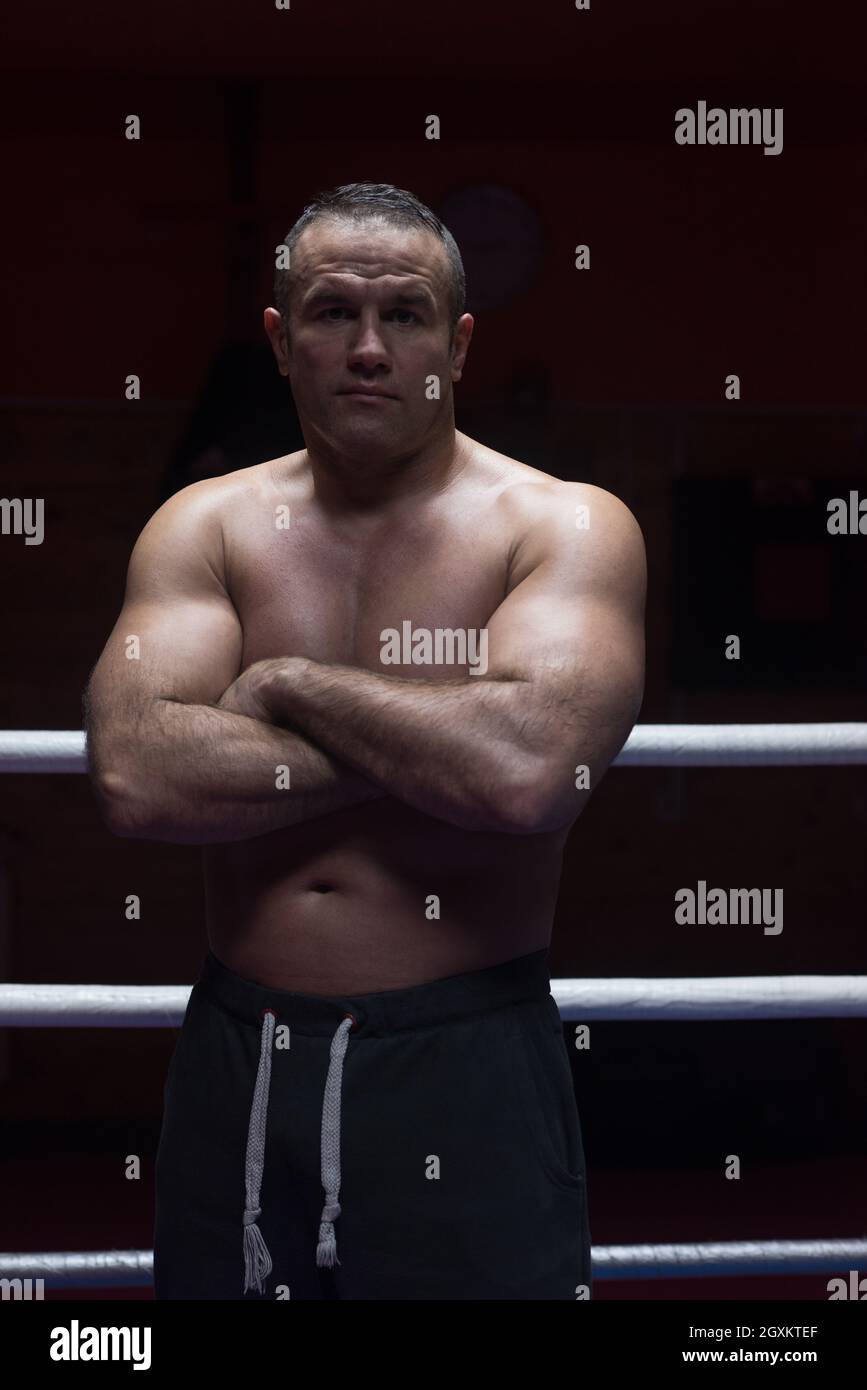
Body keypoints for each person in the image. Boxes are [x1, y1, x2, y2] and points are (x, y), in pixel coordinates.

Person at [84, 181, 646, 1300]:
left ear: (460, 339)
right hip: (243, 1046)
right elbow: (138, 773)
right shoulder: (207, 525)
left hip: (465, 1050)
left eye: (407, 315)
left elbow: (532, 771)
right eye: (335, 313)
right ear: (282, 341)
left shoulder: (560, 525)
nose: (371, 348)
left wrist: (284, 685)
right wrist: (440, 736)